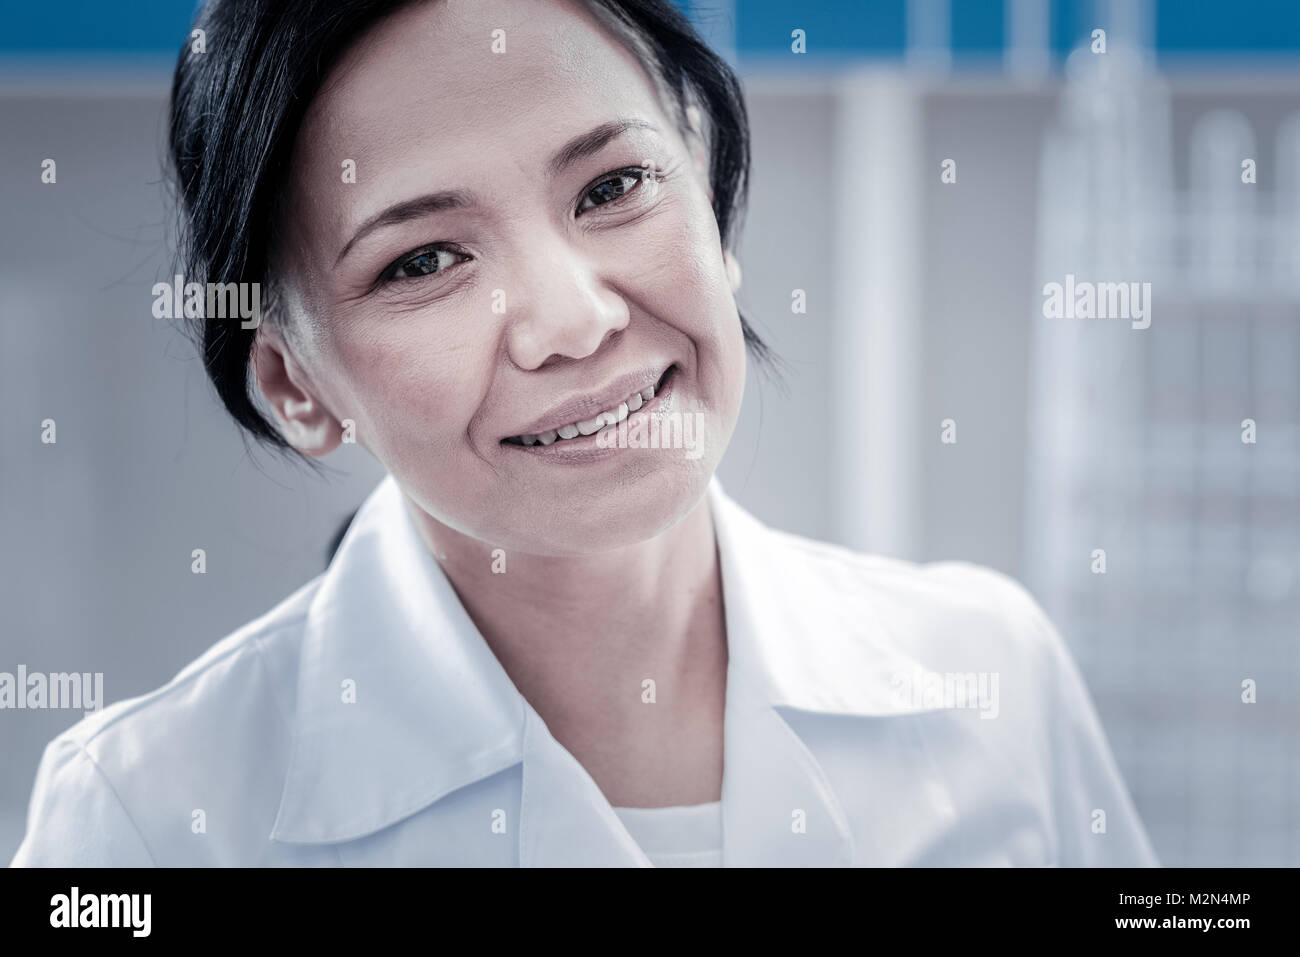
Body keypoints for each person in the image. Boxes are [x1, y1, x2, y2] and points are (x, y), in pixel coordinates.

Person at [11, 0, 1157, 867]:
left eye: (612, 188)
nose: (573, 318)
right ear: (297, 385)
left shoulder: (987, 671)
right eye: (423, 261)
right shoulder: (146, 820)